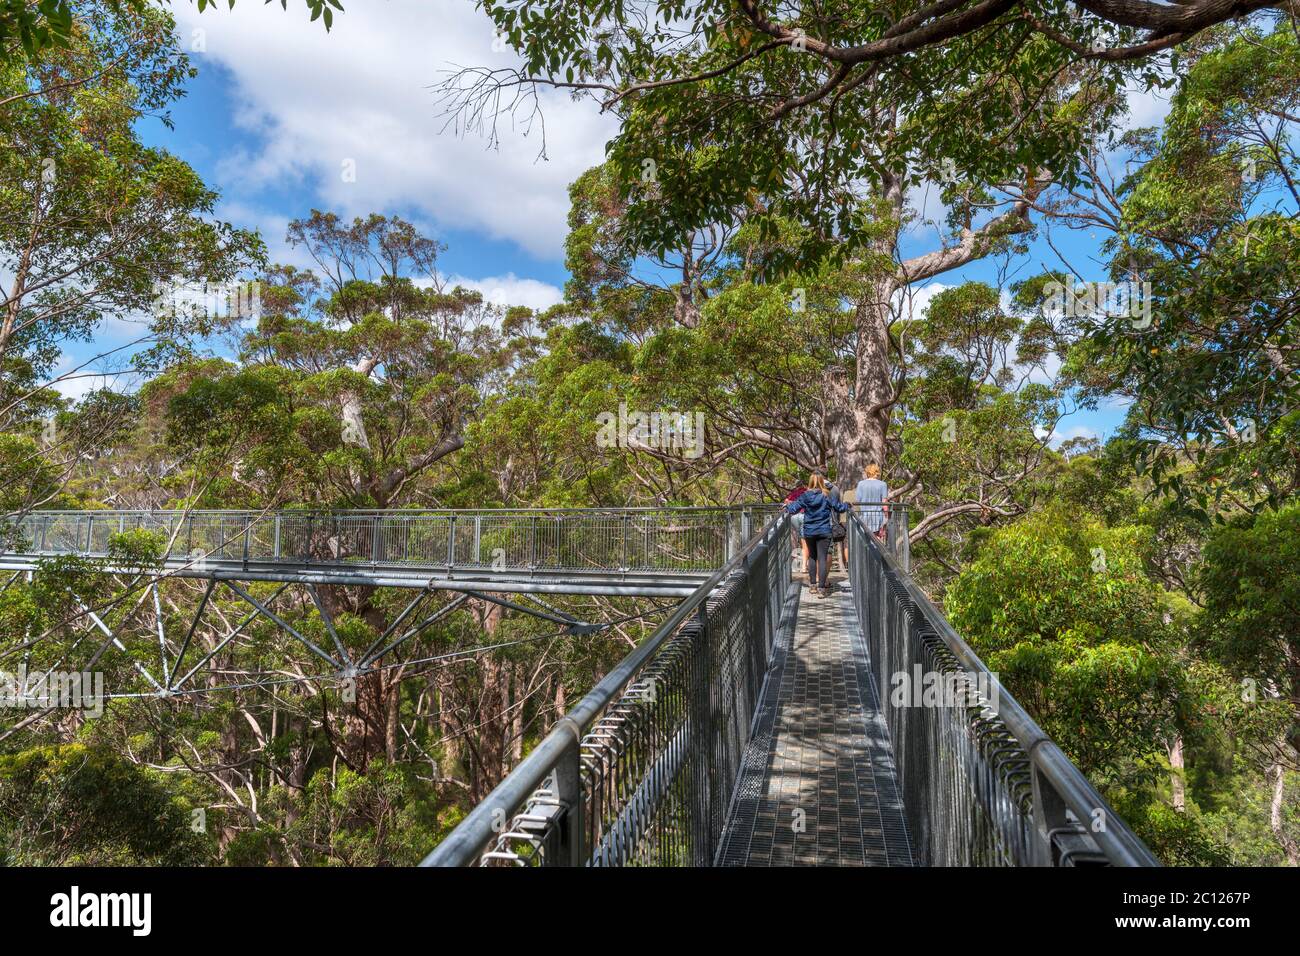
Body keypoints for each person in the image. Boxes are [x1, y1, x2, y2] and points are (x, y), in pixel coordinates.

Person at [785, 473, 851, 597]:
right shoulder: (826, 495)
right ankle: (821, 588)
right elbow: (839, 507)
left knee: (812, 557)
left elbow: (794, 508)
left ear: (810, 482)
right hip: (824, 531)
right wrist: (848, 505)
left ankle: (813, 586)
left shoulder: (805, 496)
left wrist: (787, 507)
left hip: (809, 531)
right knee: (822, 558)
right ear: (821, 482)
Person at [854, 464, 890, 541]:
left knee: (864, 540)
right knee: (877, 540)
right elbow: (884, 502)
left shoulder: (861, 484)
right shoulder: (882, 484)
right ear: (877, 472)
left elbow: (857, 501)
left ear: (867, 472)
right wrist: (886, 517)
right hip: (877, 516)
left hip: (864, 516)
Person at [826, 476, 849, 570]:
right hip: (829, 524)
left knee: (815, 553)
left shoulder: (810, 490)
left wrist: (789, 507)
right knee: (828, 551)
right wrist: (846, 506)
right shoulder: (834, 489)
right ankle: (824, 580)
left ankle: (816, 579)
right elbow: (837, 507)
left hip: (812, 526)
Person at [783, 481, 809, 562]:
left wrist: (790, 502)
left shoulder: (793, 493)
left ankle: (793, 560)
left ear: (796, 486)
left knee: (793, 539)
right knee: (805, 540)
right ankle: (806, 562)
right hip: (804, 515)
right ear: (803, 485)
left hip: (793, 516)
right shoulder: (806, 492)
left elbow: (786, 501)